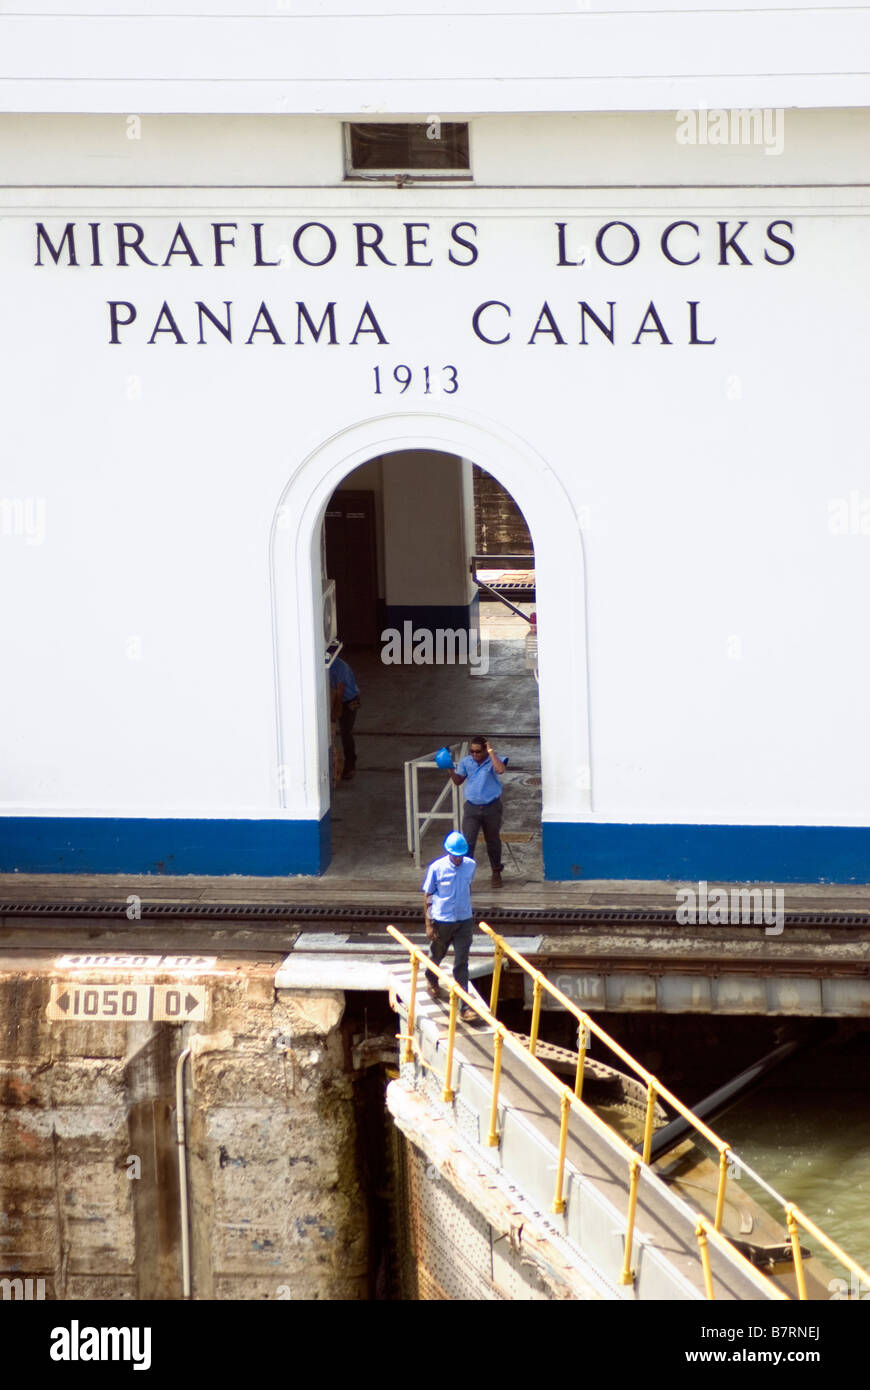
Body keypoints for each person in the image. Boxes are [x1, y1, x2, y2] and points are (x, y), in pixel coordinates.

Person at [421, 831, 478, 1023]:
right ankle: (431, 975)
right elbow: (428, 896)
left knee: (461, 963)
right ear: (449, 852)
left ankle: (465, 1007)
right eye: (455, 855)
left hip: (464, 921)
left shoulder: (470, 866)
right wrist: (429, 924)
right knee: (437, 953)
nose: (459, 859)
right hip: (443, 920)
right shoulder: (437, 868)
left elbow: (467, 887)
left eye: (461, 855)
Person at [448, 734, 507, 887]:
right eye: (472, 751)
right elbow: (458, 781)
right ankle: (464, 877)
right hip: (472, 808)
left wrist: (491, 751)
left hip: (491, 807)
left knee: (492, 841)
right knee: (468, 842)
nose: (475, 754)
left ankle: (496, 872)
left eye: (478, 751)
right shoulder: (466, 762)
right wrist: (449, 768)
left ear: (486, 750)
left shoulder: (494, 760)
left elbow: (500, 770)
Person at [329, 655, 360, 781]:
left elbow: (340, 691)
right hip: (338, 697)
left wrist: (334, 712)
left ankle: (350, 764)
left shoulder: (339, 667)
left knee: (345, 733)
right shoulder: (328, 665)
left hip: (349, 702)